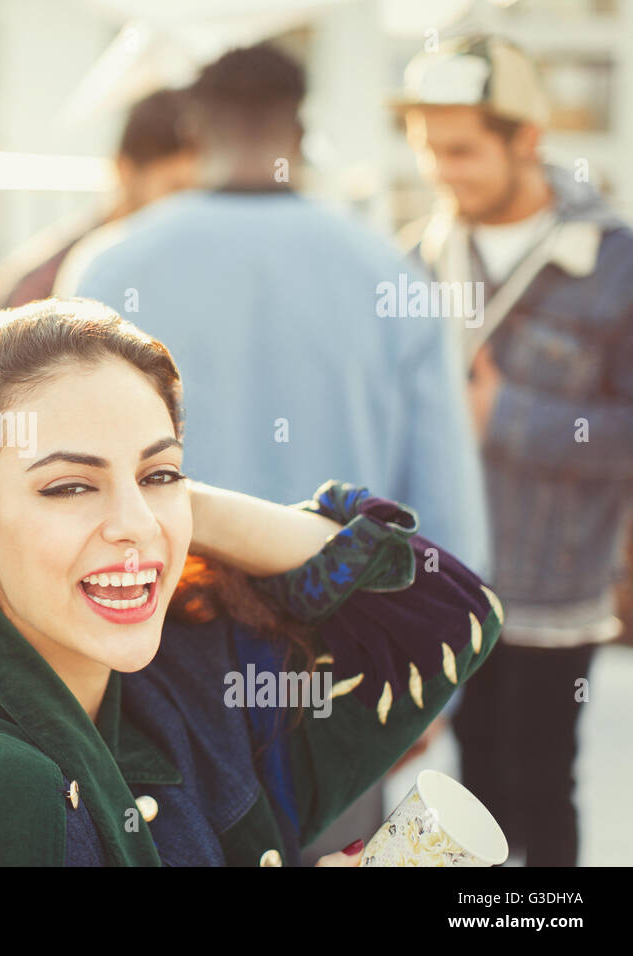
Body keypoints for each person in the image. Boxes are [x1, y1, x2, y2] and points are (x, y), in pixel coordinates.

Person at [0, 298, 504, 866]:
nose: (133, 523)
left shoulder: (178, 681)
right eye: (68, 487)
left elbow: (441, 614)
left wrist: (164, 509)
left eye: (162, 471)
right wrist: (143, 496)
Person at [57, 43, 491, 863]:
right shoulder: (385, 273)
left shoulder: (112, 267)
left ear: (194, 127)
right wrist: (424, 689)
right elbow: (449, 515)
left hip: (152, 665)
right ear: (302, 126)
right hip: (338, 664)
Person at [395, 35, 633, 866]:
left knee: (539, 787)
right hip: (444, 579)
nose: (442, 171)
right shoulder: (416, 254)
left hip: (550, 588)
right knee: (464, 790)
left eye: (461, 150)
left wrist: (509, 416)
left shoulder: (615, 262)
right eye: (428, 150)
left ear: (525, 139)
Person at [0, 86, 199, 321]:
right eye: (176, 188)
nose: (192, 205)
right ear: (125, 170)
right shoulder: (41, 287)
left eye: (202, 190)